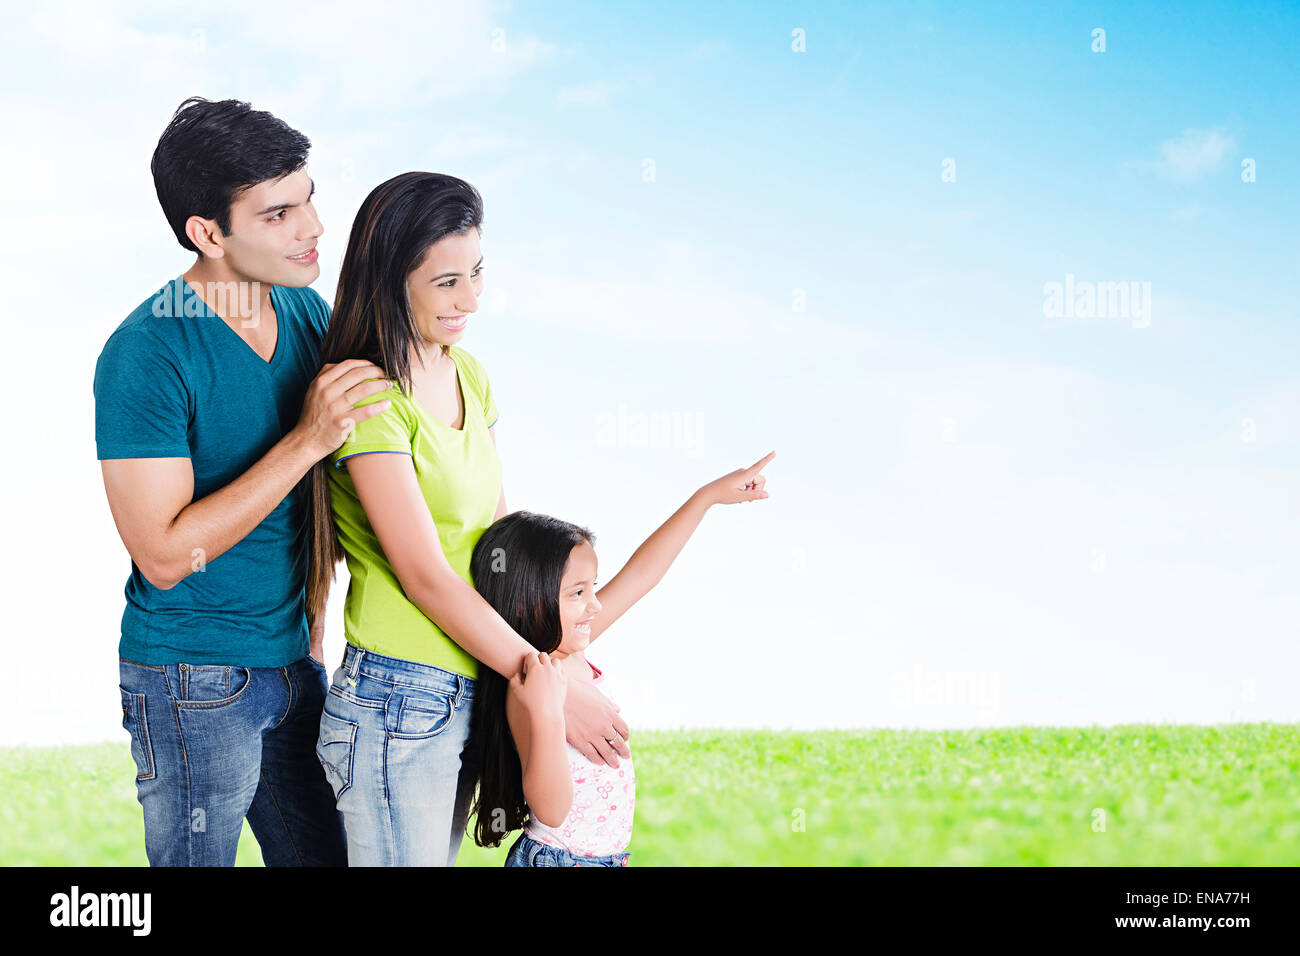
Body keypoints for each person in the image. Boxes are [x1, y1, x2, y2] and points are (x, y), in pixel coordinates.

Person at [94, 97, 394, 866]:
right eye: (278, 214)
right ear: (207, 234)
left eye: (310, 198)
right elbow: (163, 556)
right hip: (193, 682)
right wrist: (307, 439)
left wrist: (314, 641)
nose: (314, 227)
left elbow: (330, 500)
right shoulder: (147, 352)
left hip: (294, 666)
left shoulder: (304, 311)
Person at [303, 171, 632, 867]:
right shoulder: (370, 396)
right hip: (400, 697)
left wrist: (556, 666)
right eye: (448, 282)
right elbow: (425, 575)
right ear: (393, 278)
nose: (473, 300)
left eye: (476, 274)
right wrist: (548, 686)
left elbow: (500, 543)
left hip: (471, 680)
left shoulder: (469, 375)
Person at [464, 452, 776, 866]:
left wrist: (707, 497)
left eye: (593, 587)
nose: (594, 605)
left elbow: (643, 574)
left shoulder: (572, 651)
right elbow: (551, 811)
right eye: (578, 593)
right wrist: (549, 712)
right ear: (529, 601)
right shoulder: (532, 685)